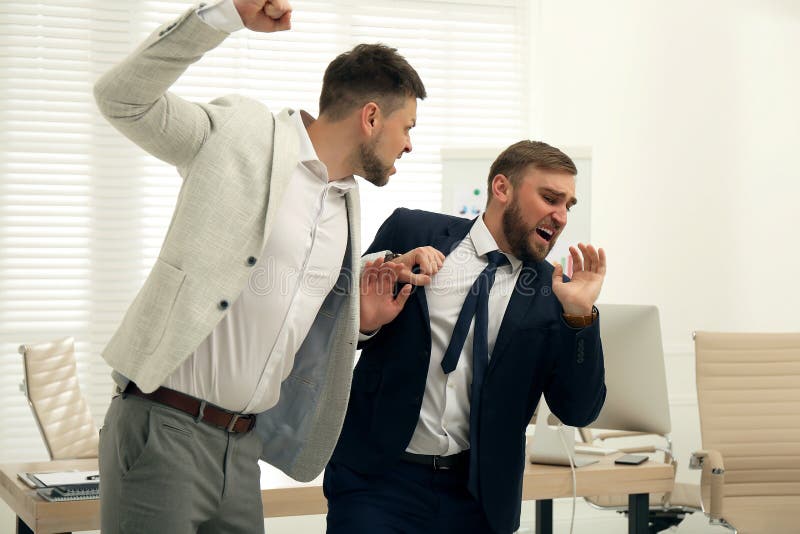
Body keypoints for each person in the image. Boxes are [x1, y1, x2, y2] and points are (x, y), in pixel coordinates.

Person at [92, 0, 427, 532]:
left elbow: (283, 308)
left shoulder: (345, 205)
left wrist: (359, 319)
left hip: (241, 448)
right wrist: (220, 16)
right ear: (370, 118)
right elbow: (121, 99)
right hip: (165, 427)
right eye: (406, 126)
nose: (409, 143)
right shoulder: (240, 132)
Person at [324, 140, 608, 534]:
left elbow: (578, 411)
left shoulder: (555, 293)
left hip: (477, 501)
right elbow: (333, 329)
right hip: (377, 485)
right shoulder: (411, 230)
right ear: (502, 188)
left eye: (568, 206)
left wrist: (579, 317)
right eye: (550, 198)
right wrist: (364, 325)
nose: (560, 216)